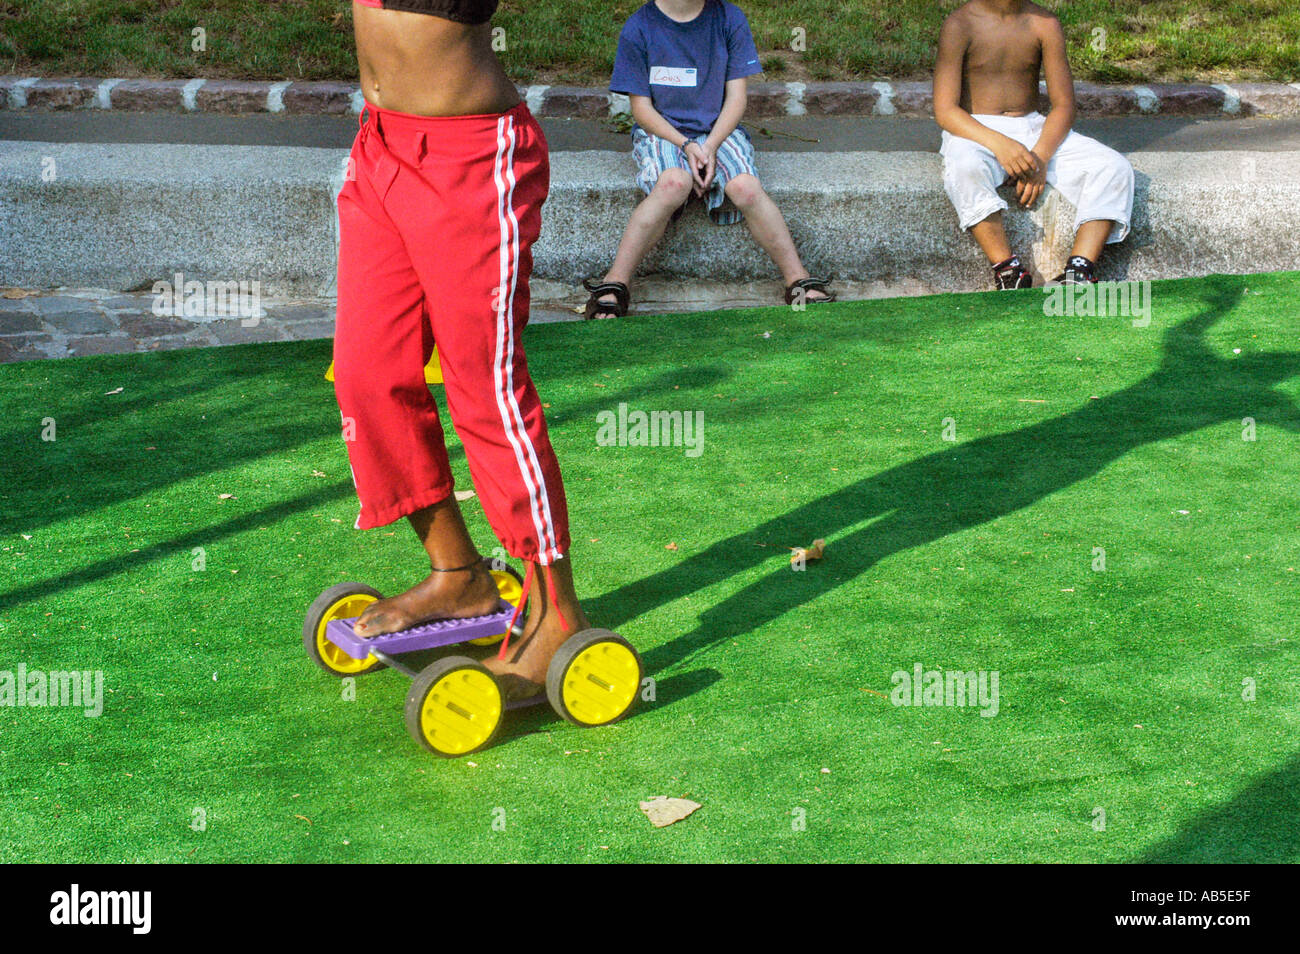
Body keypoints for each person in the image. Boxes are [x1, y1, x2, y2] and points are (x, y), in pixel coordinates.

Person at [333, 0, 589, 699]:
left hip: (472, 158)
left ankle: (557, 615)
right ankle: (458, 575)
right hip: (381, 145)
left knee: (487, 391)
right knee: (365, 375)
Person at [583, 0, 835, 320]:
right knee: (674, 183)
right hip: (664, 131)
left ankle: (797, 279)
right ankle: (614, 282)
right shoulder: (639, 27)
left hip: (719, 130)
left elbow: (736, 98)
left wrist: (711, 144)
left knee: (745, 187)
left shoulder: (729, 18)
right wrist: (686, 144)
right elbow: (642, 110)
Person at [932, 0, 1135, 289]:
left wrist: (1040, 157)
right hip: (976, 131)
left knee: (1114, 167)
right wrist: (999, 144)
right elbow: (946, 111)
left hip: (1033, 128)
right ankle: (1008, 270)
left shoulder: (1045, 24)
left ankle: (1080, 270)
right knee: (964, 167)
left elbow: (1064, 106)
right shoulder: (960, 24)